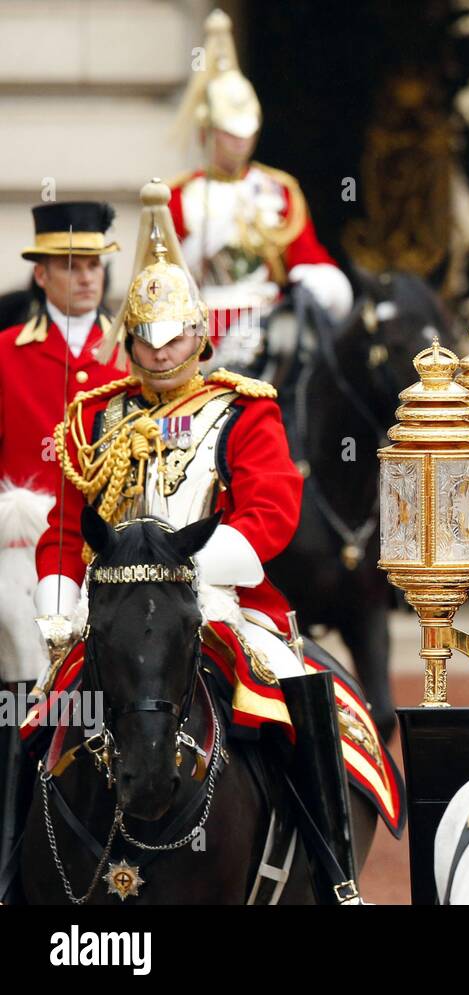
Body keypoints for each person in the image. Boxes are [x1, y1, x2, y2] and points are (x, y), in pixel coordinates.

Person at [32, 179, 372, 902]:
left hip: (218, 596)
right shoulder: (95, 415)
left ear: (201, 334)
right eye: (146, 339)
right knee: (34, 711)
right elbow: (65, 525)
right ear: (128, 338)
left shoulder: (242, 411)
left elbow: (272, 512)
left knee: (296, 682)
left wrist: (185, 571)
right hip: (113, 605)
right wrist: (57, 599)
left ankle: (335, 873)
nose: (159, 353)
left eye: (174, 336)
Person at [168, 8, 352, 359]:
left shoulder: (278, 190)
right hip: (202, 328)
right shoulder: (179, 196)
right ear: (208, 131)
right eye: (230, 133)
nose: (240, 142)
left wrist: (318, 283)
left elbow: (305, 256)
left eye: (247, 132)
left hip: (270, 327)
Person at [0, 203, 124, 495]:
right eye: (70, 266)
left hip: (110, 526)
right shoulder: (5, 350)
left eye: (94, 265)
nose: (86, 278)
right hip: (25, 528)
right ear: (41, 276)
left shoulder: (134, 349)